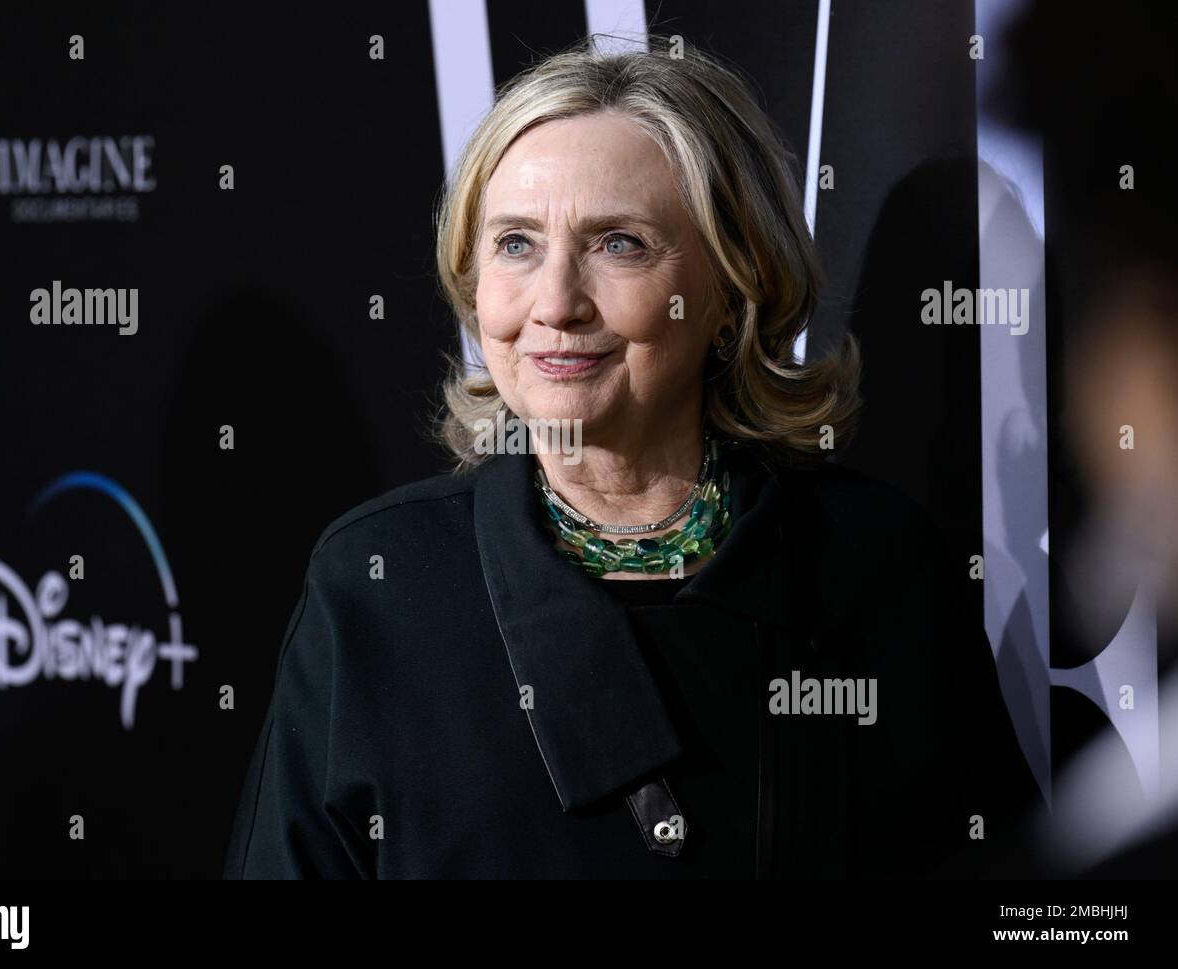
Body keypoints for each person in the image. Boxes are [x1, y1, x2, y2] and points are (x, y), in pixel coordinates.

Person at [224, 35, 1037, 879]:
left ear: (734, 286)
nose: (556, 303)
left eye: (620, 244)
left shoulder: (872, 564)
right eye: (515, 244)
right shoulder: (379, 584)